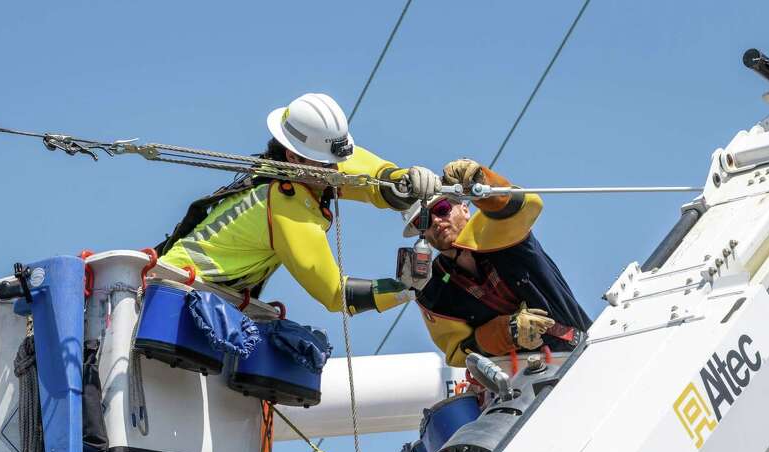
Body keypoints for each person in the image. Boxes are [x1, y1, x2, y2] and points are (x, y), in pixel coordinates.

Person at [158, 93, 440, 316]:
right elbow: (336, 294)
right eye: (326, 164)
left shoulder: (298, 170)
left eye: (336, 162)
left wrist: (405, 179)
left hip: (193, 293)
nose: (335, 171)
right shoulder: (285, 203)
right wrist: (404, 290)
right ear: (293, 158)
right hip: (173, 292)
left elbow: (372, 178)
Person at [409, 159, 591, 367]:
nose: (435, 221)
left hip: (585, 353)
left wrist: (481, 181)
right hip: (523, 380)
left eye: (442, 209)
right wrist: (505, 332)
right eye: (423, 221)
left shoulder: (498, 229)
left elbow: (523, 205)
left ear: (465, 209)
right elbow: (459, 352)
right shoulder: (432, 289)